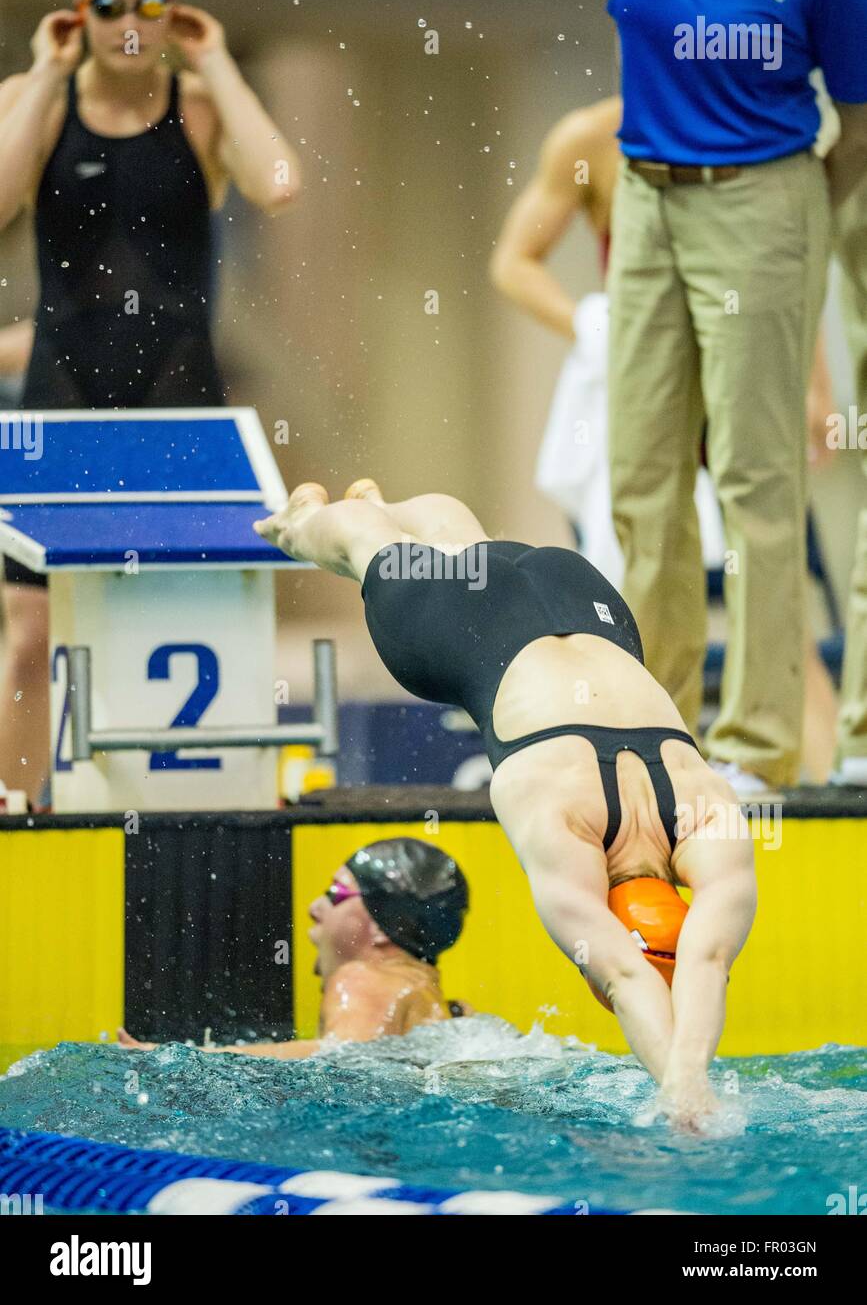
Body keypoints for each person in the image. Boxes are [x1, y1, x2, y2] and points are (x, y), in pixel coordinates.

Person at [253, 479, 758, 1132]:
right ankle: (307, 521)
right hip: (470, 631)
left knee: (464, 542)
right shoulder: (558, 819)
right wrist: (681, 1095)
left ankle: (383, 509)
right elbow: (630, 975)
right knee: (359, 541)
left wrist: (692, 1080)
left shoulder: (706, 802)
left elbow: (705, 959)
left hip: (570, 587)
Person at [0, 0, 301, 803]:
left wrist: (222, 68)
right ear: (76, 12)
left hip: (178, 383)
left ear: (175, 10)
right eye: (108, 6)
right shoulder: (37, 98)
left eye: (149, 5)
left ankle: (197, 797)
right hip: (64, 383)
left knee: (186, 606)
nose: (129, 25)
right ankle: (18, 813)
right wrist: (48, 76)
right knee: (28, 628)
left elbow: (278, 182)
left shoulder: (200, 107)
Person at [489, 94, 840, 785]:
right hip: (650, 387)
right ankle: (654, 763)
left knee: (773, 599)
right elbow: (513, 261)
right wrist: (595, 326)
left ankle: (816, 791)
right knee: (638, 593)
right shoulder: (588, 139)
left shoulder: (746, 123)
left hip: (742, 379)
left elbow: (779, 280)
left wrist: (815, 388)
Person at [606, 0, 867, 798]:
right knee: (640, 481)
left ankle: (756, 746)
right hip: (642, 199)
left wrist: (785, 225)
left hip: (760, 201)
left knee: (756, 486)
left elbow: (857, 129)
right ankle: (652, 729)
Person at [119, 836, 472, 1058]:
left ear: (383, 926)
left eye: (335, 893)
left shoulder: (360, 979)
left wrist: (185, 1061)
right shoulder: (438, 1005)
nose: (314, 907)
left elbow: (348, 1063)